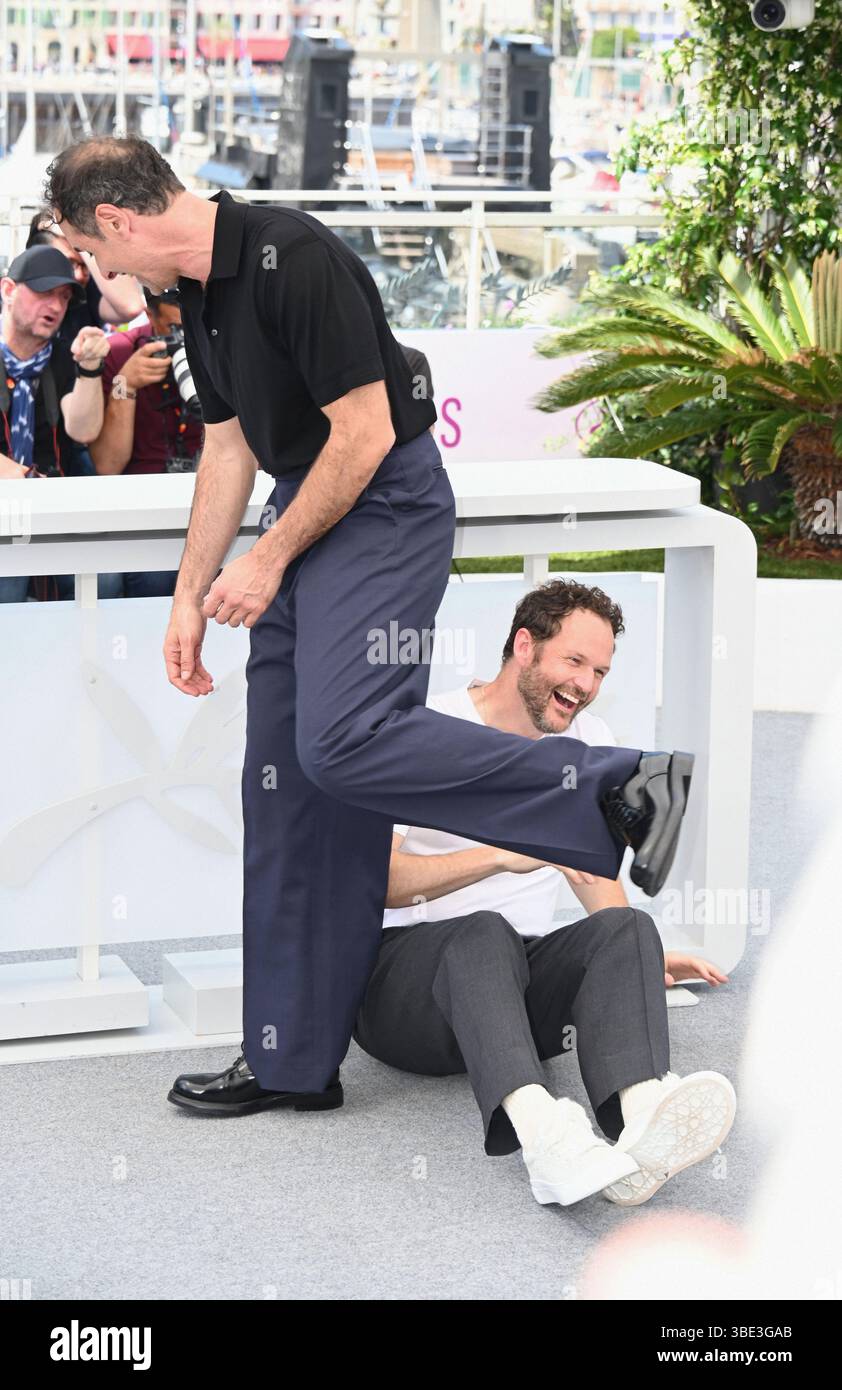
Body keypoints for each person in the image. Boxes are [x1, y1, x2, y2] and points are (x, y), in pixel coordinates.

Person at [44, 135, 695, 1118]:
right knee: (288, 794)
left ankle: (615, 786)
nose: (98, 273)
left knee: (342, 740)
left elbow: (366, 432)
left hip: (381, 501)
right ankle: (288, 1059)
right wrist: (192, 591)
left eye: (93, 251)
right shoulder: (198, 298)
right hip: (302, 508)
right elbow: (228, 449)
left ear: (121, 222)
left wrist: (264, 561)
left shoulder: (291, 255)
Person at [350, 579, 736, 1206]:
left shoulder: (585, 745)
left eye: (600, 671)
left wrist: (634, 965)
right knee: (484, 930)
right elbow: (379, 883)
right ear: (524, 647)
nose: (586, 685)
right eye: (575, 662)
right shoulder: (425, 727)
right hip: (400, 996)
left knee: (631, 930)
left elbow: (594, 883)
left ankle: (640, 1120)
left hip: (510, 993)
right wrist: (503, 855)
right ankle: (546, 1142)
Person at [0, 243, 116, 603]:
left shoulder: (64, 360)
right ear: (8, 290)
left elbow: (82, 431)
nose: (55, 306)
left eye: (64, 298)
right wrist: (16, 476)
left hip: (56, 515)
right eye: (44, 293)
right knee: (11, 583)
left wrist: (90, 369)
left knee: (107, 581)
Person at [89, 286, 204, 597]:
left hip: (207, 496)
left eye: (198, 324)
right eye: (177, 328)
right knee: (154, 575)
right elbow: (108, 465)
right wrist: (124, 386)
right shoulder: (119, 351)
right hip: (142, 506)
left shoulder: (222, 344)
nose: (189, 339)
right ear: (150, 315)